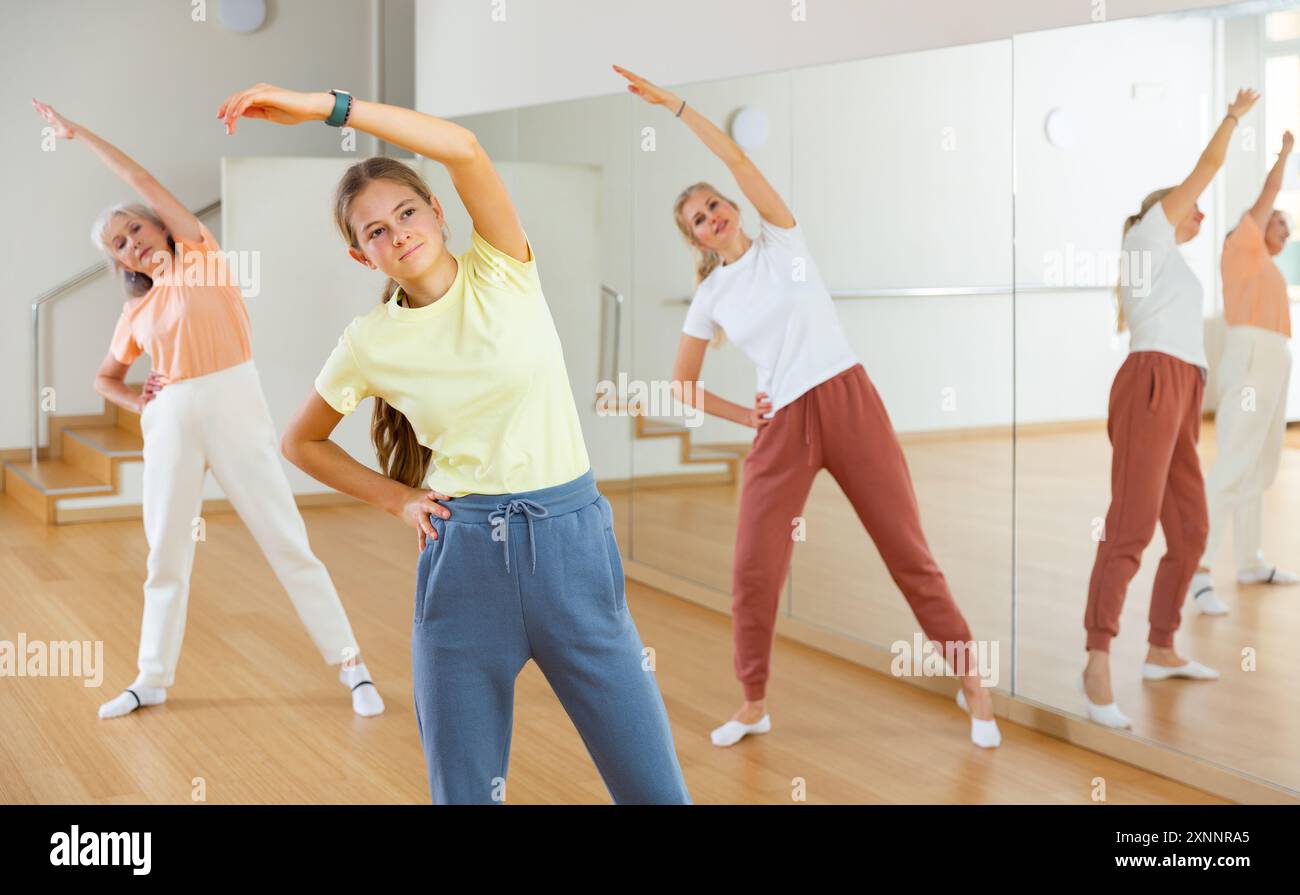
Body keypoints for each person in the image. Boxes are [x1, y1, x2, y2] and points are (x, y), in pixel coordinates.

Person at [217, 82, 693, 804]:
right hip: (465, 562)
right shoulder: (369, 343)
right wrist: (400, 499)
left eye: (406, 211)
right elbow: (301, 440)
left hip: (572, 549)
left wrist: (324, 109)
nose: (397, 231)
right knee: (465, 795)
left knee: (655, 791)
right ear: (360, 257)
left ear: (438, 214)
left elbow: (463, 148)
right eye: (374, 230)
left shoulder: (503, 266)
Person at [614, 65, 1001, 750]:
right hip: (785, 423)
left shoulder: (782, 238)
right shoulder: (712, 297)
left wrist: (674, 105)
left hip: (849, 401)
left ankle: (973, 683)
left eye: (715, 202)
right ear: (698, 240)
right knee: (753, 568)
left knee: (907, 550)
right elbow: (682, 385)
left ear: (732, 203)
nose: (713, 214)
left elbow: (734, 154)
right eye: (699, 218)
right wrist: (747, 417)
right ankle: (753, 700)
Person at [29, 98, 382, 721]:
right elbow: (105, 377)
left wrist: (78, 133)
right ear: (119, 263)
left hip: (233, 399)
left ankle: (352, 666)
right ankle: (151, 678)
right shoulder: (135, 311)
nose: (131, 244)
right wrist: (143, 401)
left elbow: (139, 181)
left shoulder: (200, 253)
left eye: (135, 229)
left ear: (160, 226)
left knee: (285, 538)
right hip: (171, 421)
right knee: (165, 553)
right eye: (119, 245)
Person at [1081, 88, 1260, 729]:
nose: (1202, 217)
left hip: (1182, 387)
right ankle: (1097, 659)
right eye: (1194, 210)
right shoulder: (1150, 239)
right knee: (1131, 525)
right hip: (1152, 383)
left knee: (1190, 529)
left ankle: (1160, 646)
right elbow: (1205, 169)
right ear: (1164, 211)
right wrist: (1234, 118)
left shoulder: (1166, 260)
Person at [1191, 130, 1298, 615]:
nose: (1285, 228)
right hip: (1252, 355)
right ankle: (1198, 572)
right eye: (1278, 222)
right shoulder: (1240, 247)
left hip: (1274, 358)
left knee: (1261, 464)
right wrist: (1284, 155)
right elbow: (1268, 196)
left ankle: (1251, 560)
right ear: (1250, 227)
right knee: (1235, 462)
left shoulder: (1266, 266)